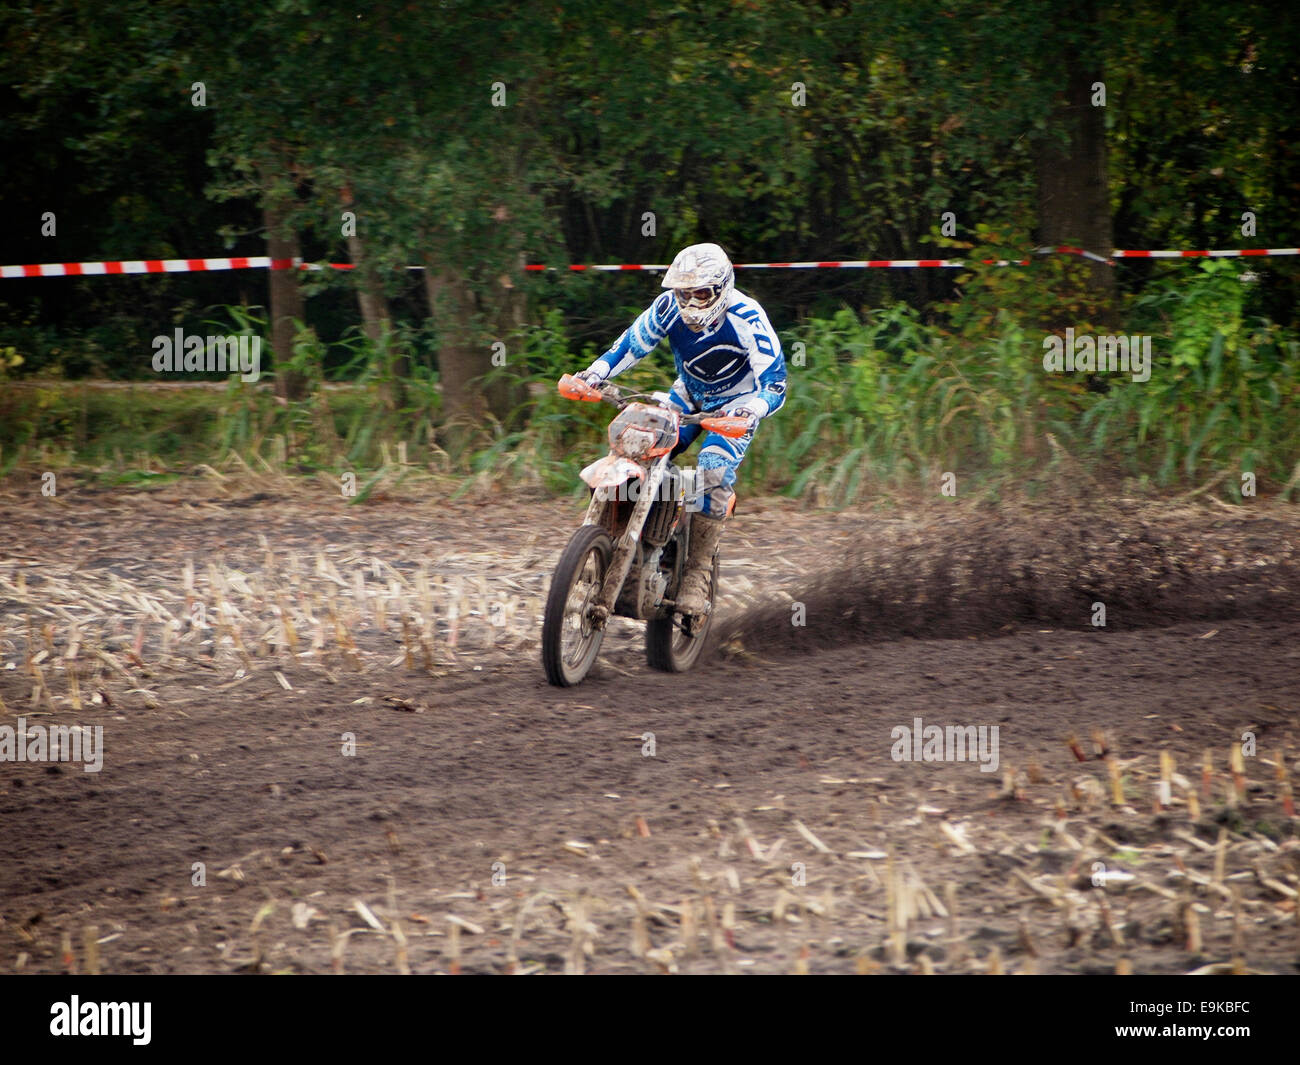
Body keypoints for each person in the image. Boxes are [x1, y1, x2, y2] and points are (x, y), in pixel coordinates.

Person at [573, 242, 786, 616]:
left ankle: (696, 574)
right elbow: (631, 344)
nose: (689, 304)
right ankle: (624, 539)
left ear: (722, 288)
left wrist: (752, 411)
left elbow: (776, 383)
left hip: (735, 406)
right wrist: (595, 373)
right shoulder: (668, 307)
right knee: (639, 444)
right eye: (683, 294)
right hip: (687, 394)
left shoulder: (748, 318)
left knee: (712, 470)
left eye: (700, 294)